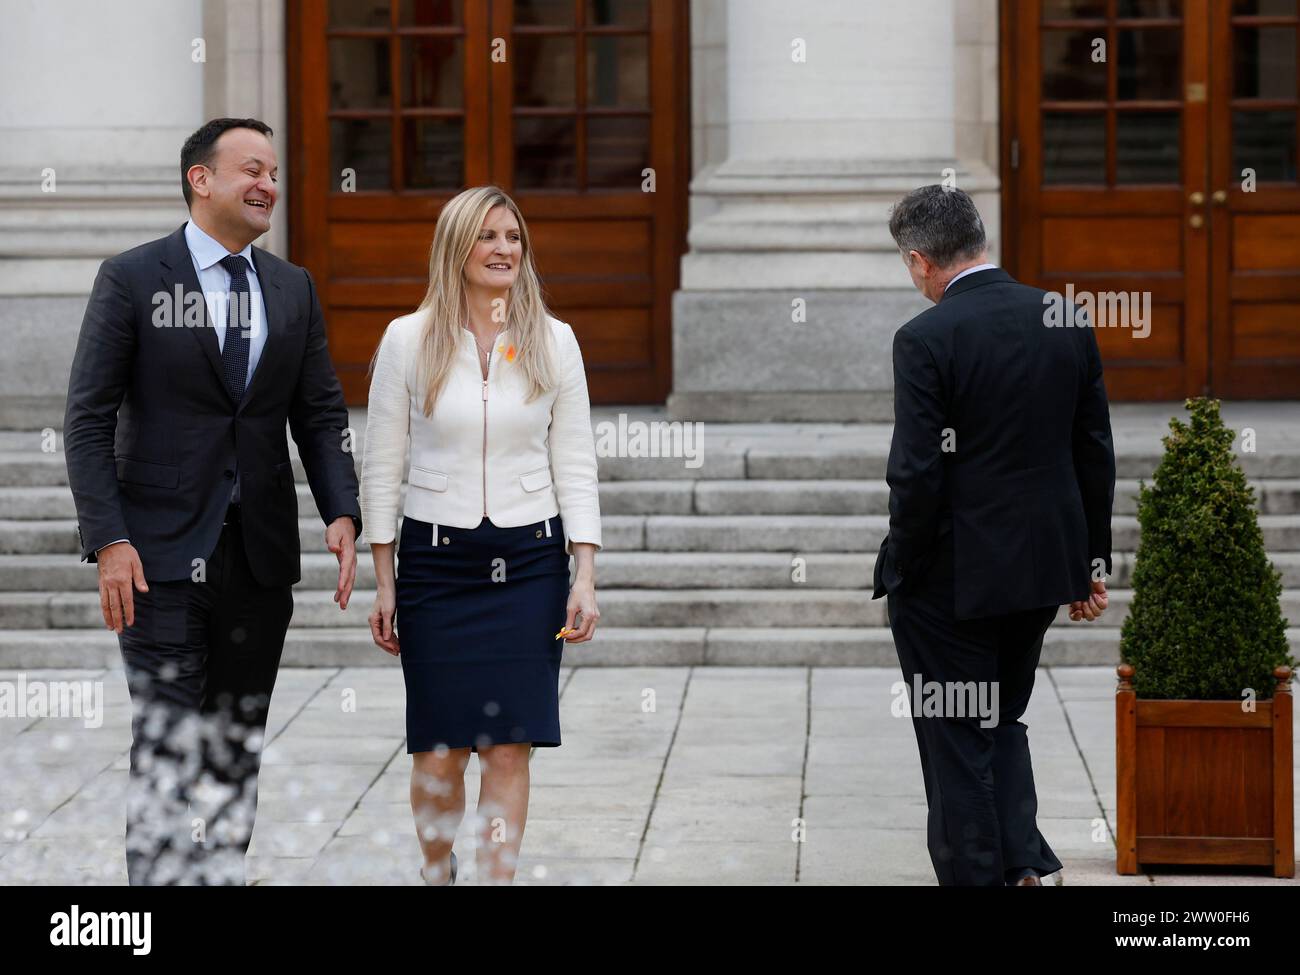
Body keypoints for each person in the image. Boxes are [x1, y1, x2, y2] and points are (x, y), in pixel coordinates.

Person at [63, 118, 361, 885]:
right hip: (156, 557)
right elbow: (88, 418)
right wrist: (109, 539)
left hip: (258, 561)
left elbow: (320, 415)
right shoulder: (131, 278)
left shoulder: (292, 287)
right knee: (167, 742)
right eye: (251, 169)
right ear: (201, 179)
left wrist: (342, 511)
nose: (268, 185)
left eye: (273, 173)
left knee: (234, 743)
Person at [873, 185, 1116, 886]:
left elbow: (916, 474)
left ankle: (983, 875)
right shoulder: (1064, 315)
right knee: (1001, 716)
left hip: (951, 579)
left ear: (920, 261)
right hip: (1040, 572)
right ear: (979, 238)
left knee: (954, 738)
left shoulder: (924, 338)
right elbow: (1093, 450)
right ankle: (1021, 865)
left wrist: (902, 569)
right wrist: (1089, 562)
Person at [362, 185, 602, 886]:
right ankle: (438, 870)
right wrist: (385, 579)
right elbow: (383, 464)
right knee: (439, 751)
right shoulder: (408, 338)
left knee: (508, 747)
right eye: (489, 236)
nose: (504, 250)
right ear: (457, 247)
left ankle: (497, 880)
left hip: (530, 564)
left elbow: (576, 461)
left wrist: (582, 572)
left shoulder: (554, 341)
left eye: (514, 238)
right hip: (437, 565)